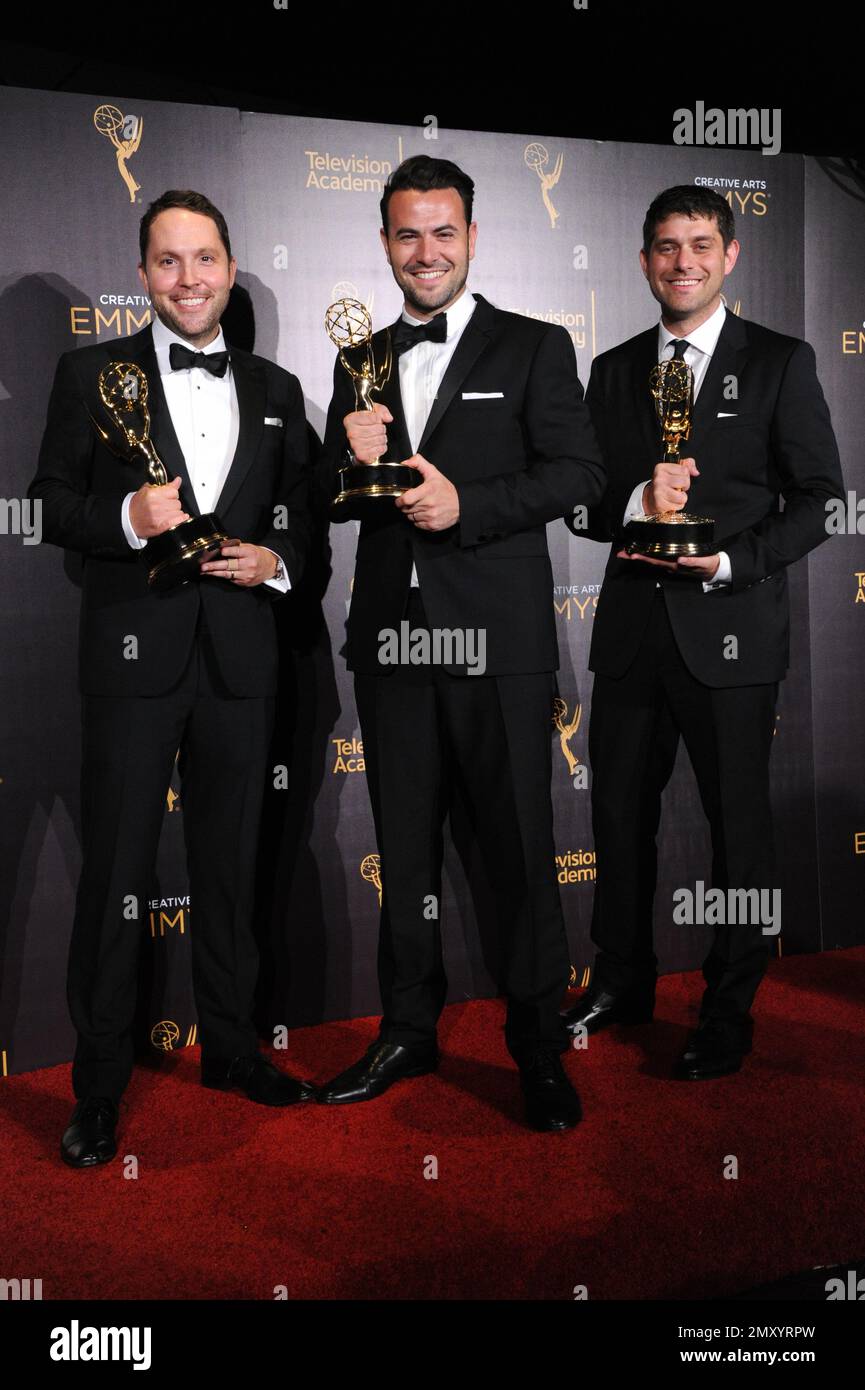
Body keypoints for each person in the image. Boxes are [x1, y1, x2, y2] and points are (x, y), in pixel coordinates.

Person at [315, 155, 605, 1131]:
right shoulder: (359, 357)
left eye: (443, 232)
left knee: (519, 851)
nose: (425, 250)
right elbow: (325, 491)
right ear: (385, 243)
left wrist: (467, 504)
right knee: (404, 847)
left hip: (497, 644)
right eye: (406, 233)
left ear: (472, 239)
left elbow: (577, 474)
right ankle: (407, 1028)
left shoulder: (532, 346)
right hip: (392, 645)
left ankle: (536, 1044)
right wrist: (341, 455)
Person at [30, 189, 314, 1167]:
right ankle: (99, 1088)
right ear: (144, 274)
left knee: (232, 869)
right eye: (167, 261)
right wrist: (125, 523)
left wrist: (275, 564)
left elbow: (307, 513)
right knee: (116, 875)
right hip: (131, 660)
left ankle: (234, 1049)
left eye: (204, 259)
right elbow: (48, 503)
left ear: (230, 268)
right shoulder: (89, 373)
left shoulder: (279, 390)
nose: (188, 279)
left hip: (242, 661)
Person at [562, 185, 844, 1078]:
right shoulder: (610, 370)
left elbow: (819, 504)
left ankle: (729, 1004)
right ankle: (622, 979)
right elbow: (582, 501)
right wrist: (637, 502)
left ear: (728, 256)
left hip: (731, 636)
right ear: (643, 260)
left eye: (698, 245)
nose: (681, 261)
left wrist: (728, 564)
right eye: (664, 246)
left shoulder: (778, 361)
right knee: (615, 818)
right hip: (633, 636)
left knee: (738, 831)